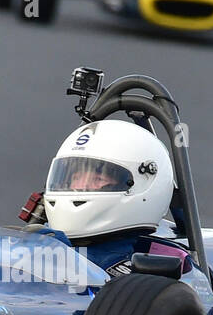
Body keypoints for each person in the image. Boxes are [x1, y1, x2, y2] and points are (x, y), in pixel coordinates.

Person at [35, 118, 179, 276]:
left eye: (98, 180)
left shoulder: (129, 278)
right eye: (74, 178)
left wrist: (59, 260)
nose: (77, 188)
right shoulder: (41, 241)